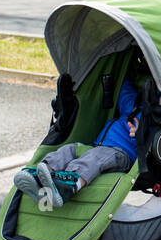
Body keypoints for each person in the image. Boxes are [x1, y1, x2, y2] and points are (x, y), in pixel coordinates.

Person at [13, 80, 142, 209]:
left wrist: (140, 131)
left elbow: (157, 133)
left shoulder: (151, 118)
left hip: (122, 153)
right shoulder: (132, 106)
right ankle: (43, 173)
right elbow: (125, 91)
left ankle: (70, 185)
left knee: (94, 158)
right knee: (70, 149)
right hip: (98, 146)